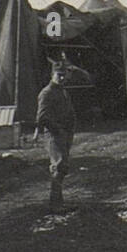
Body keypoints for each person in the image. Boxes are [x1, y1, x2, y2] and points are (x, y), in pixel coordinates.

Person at [36, 60, 77, 210]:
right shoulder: (47, 93)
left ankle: (59, 202)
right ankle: (55, 205)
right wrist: (58, 130)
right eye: (59, 75)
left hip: (65, 134)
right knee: (58, 167)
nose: (61, 78)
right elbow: (42, 117)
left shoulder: (62, 91)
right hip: (54, 134)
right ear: (52, 75)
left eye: (63, 75)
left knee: (63, 167)